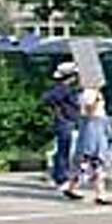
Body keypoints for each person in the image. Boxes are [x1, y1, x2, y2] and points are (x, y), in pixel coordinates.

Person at [42, 61, 83, 200]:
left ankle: (61, 176)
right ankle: (61, 177)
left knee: (64, 150)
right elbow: (48, 98)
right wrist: (60, 111)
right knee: (64, 150)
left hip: (68, 121)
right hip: (65, 122)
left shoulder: (68, 89)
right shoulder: (63, 89)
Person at [75, 83, 112, 206]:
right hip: (93, 127)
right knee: (90, 163)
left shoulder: (91, 92)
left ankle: (100, 194)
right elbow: (89, 110)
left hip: (98, 126)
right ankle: (72, 186)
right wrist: (97, 98)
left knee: (95, 164)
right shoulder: (89, 93)